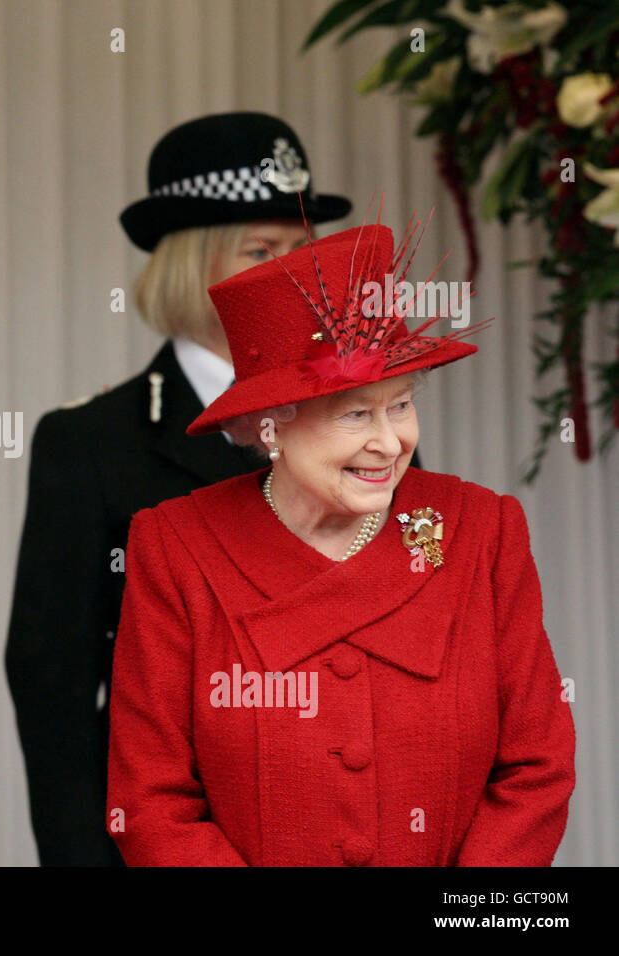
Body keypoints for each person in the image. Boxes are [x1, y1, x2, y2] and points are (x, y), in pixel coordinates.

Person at [107, 217, 575, 866]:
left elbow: (537, 766)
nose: (389, 443)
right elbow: (150, 800)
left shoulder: (480, 531)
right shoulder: (176, 547)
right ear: (269, 425)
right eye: (356, 414)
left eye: (401, 405)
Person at [5, 112, 355, 866]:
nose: (290, 271)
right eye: (260, 251)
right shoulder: (91, 441)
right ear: (191, 266)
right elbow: (53, 688)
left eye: (301, 250)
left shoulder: (370, 421)